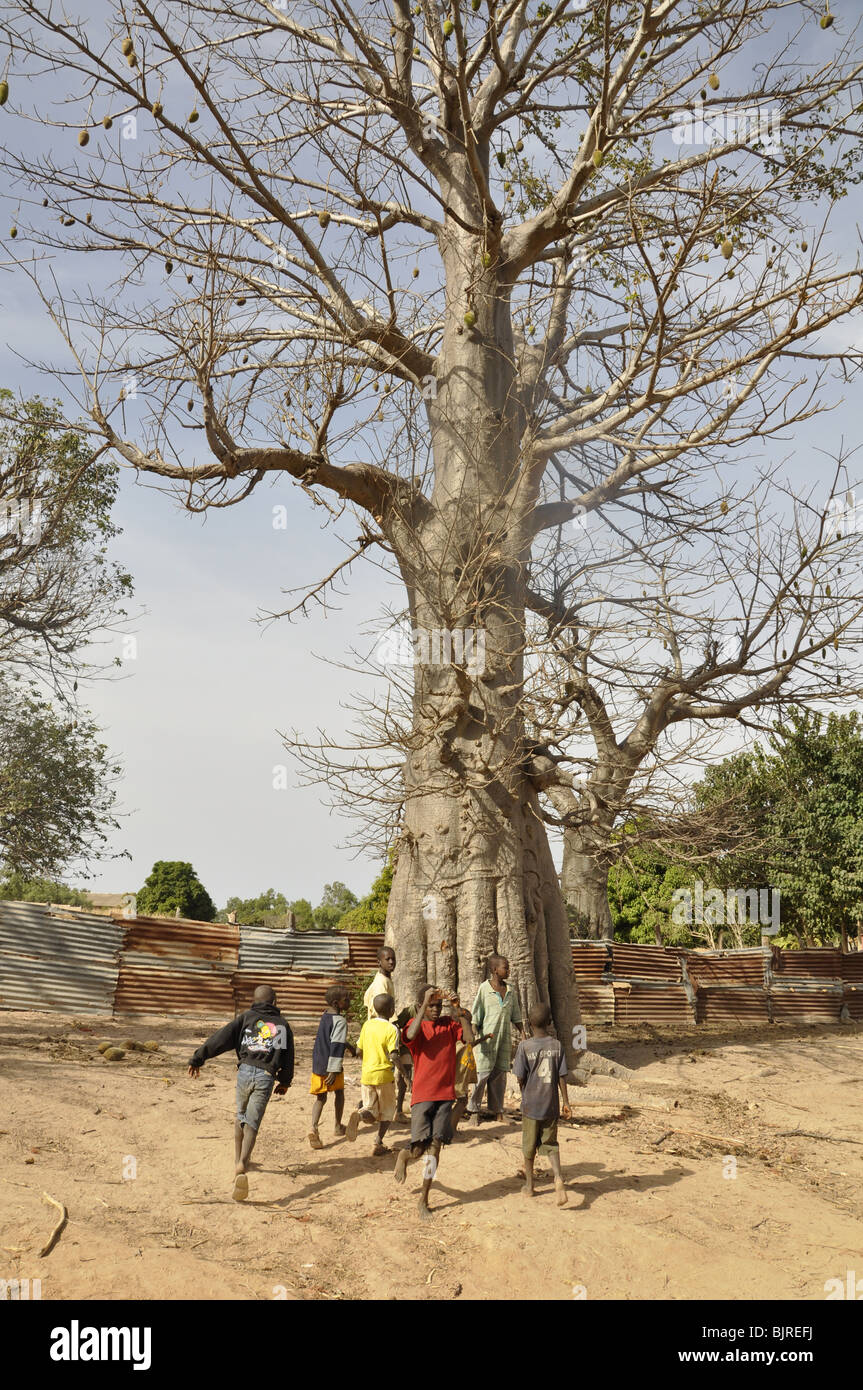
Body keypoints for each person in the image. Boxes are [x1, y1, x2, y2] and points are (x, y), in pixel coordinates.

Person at [187, 984, 294, 1202]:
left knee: (241, 1116)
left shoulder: (245, 1018)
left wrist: (199, 1057)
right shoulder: (282, 1025)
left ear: (254, 1001)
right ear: (275, 1001)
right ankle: (244, 1163)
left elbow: (220, 1038)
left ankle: (238, 1159)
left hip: (244, 1072)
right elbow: (288, 1056)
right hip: (266, 1075)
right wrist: (284, 1081)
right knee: (253, 1122)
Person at [393, 984, 474, 1218]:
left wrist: (459, 1011)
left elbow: (468, 1039)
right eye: (432, 1006)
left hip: (445, 1096)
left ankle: (424, 1200)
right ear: (422, 1006)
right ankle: (404, 1156)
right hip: (422, 1096)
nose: (437, 1010)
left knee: (435, 1150)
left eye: (439, 1005)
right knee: (418, 1150)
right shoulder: (414, 1026)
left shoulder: (449, 1025)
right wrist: (422, 1007)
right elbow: (409, 1036)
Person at [512, 1001, 571, 1207]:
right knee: (551, 1143)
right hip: (551, 1105)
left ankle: (529, 1186)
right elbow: (562, 1076)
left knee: (529, 1147)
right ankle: (558, 1178)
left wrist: (524, 1092)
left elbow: (519, 1077)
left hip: (531, 1105)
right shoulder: (556, 1045)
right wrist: (566, 1102)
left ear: (529, 1024)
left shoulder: (524, 1046)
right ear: (550, 1022)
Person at [467, 954, 523, 1126]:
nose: (508, 970)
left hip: (504, 1040)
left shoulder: (511, 990)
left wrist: (523, 1033)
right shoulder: (485, 989)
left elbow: (516, 1015)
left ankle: (497, 1111)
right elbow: (476, 1014)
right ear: (494, 970)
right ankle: (474, 1111)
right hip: (486, 1041)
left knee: (499, 1075)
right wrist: (474, 1031)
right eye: (505, 967)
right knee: (482, 1075)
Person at [346, 994, 406, 1155]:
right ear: (392, 1010)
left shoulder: (367, 1025)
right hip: (384, 1076)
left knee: (369, 1110)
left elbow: (359, 1050)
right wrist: (406, 1075)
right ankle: (377, 1142)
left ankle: (359, 1117)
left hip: (367, 1075)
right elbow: (394, 1055)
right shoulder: (392, 1029)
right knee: (387, 1112)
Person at [363, 945, 413, 1122]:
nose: (391, 962)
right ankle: (388, 1111)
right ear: (379, 962)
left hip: (382, 1031)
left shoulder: (385, 979)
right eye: (387, 959)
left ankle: (373, 1107)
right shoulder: (381, 985)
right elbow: (381, 1012)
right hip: (383, 1034)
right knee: (394, 1070)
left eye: (393, 958)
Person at [308, 983, 356, 1149]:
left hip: (318, 1062)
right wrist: (334, 1069)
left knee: (321, 1098)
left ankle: (313, 1127)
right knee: (339, 1093)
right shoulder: (341, 1021)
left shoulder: (325, 1015)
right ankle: (337, 1125)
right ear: (337, 1003)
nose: (349, 1001)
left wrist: (348, 1046)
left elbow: (331, 1039)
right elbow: (335, 1045)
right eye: (346, 999)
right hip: (331, 1065)